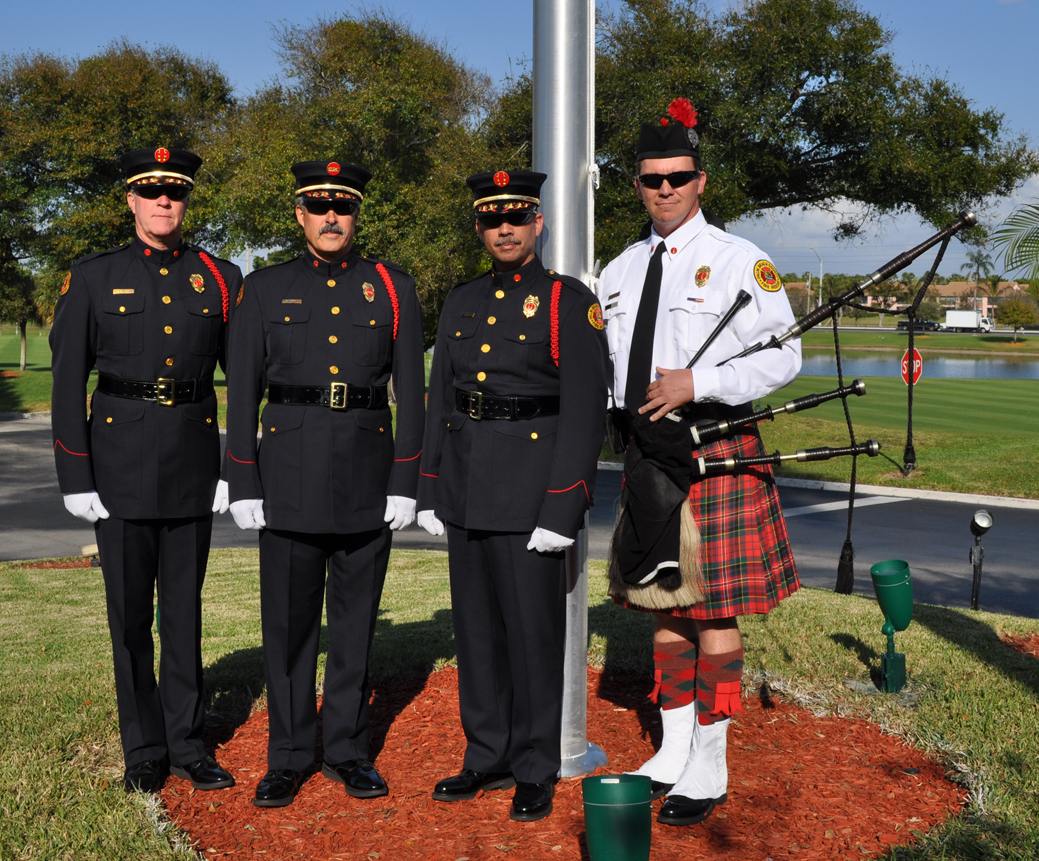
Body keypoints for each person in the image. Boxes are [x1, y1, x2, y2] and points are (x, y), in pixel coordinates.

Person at [598, 99, 801, 826]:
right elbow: (608, 364)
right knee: (662, 607)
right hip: (647, 452)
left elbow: (785, 353)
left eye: (678, 176)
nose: (665, 188)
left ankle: (710, 759)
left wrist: (699, 381)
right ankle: (673, 744)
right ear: (637, 184)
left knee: (712, 611)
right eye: (652, 178)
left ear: (701, 180)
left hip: (715, 444)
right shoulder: (617, 270)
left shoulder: (740, 260)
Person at [224, 160, 425, 808]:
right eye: (319, 206)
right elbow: (243, 392)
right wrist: (243, 479)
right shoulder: (263, 288)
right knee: (287, 630)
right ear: (300, 215)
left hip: (368, 476)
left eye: (342, 206)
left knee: (355, 625)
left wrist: (406, 478)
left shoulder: (391, 286)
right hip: (287, 477)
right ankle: (287, 755)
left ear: (356, 213)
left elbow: (413, 395)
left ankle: (346, 750)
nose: (331, 217)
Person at [416, 170, 609, 822]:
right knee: (475, 634)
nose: (505, 228)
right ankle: (486, 754)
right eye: (493, 218)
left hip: (531, 497)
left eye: (517, 216)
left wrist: (564, 505)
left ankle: (534, 765)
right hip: (467, 488)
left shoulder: (566, 301)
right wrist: (429, 487)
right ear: (479, 226)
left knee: (531, 637)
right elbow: (439, 397)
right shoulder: (460, 301)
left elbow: (585, 414)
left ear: (538, 223)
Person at [50, 147, 242, 794]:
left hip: (192, 463)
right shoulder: (93, 277)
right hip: (118, 467)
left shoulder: (220, 277)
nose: (164, 202)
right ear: (130, 201)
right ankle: (143, 748)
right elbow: (67, 380)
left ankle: (188, 742)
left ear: (186, 202)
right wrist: (75, 475)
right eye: (151, 192)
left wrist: (233, 469)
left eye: (175, 193)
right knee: (130, 617)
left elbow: (244, 377)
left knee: (182, 613)